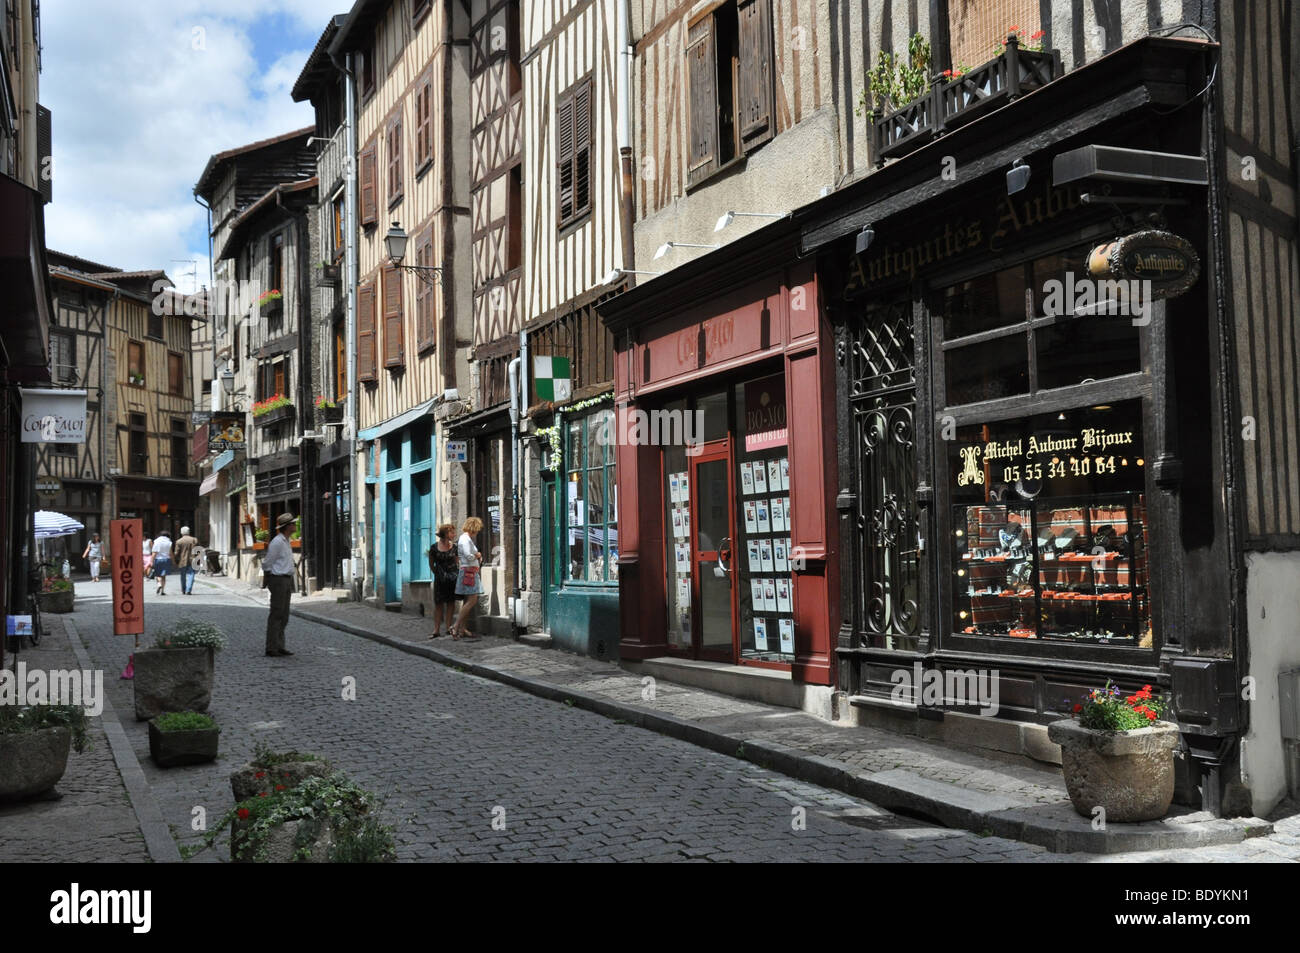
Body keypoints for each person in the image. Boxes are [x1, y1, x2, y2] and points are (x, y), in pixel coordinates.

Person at [263, 513, 297, 657]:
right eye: (293, 524)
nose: (295, 525)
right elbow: (267, 562)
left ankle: (280, 645)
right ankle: (271, 647)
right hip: (278, 579)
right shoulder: (277, 542)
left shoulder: (286, 541)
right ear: (287, 526)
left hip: (286, 579)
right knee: (277, 613)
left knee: (284, 615)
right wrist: (270, 579)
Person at [450, 517, 484, 641]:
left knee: (467, 601)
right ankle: (455, 626)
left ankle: (462, 629)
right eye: (477, 529)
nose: (478, 531)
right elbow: (468, 556)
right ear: (473, 527)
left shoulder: (467, 539)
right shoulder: (465, 539)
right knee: (472, 600)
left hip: (470, 571)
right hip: (468, 572)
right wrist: (477, 554)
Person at [426, 523, 459, 640]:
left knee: (451, 602)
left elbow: (457, 562)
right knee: (439, 603)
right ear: (445, 534)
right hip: (440, 579)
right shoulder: (434, 548)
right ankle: (436, 629)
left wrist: (454, 574)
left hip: (452, 578)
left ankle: (449, 627)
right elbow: (431, 564)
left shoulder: (454, 547)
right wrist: (438, 573)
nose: (454, 534)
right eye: (452, 532)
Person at [174, 526, 198, 595]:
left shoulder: (179, 541)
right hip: (193, 560)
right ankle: (188, 589)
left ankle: (183, 589)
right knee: (191, 575)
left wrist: (176, 560)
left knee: (183, 576)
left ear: (181, 533)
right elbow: (198, 549)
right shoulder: (194, 540)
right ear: (189, 532)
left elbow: (176, 552)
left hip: (182, 561)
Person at [151, 530, 173, 595]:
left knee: (158, 574)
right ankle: (162, 591)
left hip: (158, 559)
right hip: (166, 559)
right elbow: (170, 553)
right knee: (163, 576)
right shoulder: (169, 542)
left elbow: (154, 553)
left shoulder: (157, 541)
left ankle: (159, 584)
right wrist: (173, 561)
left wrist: (151, 561)